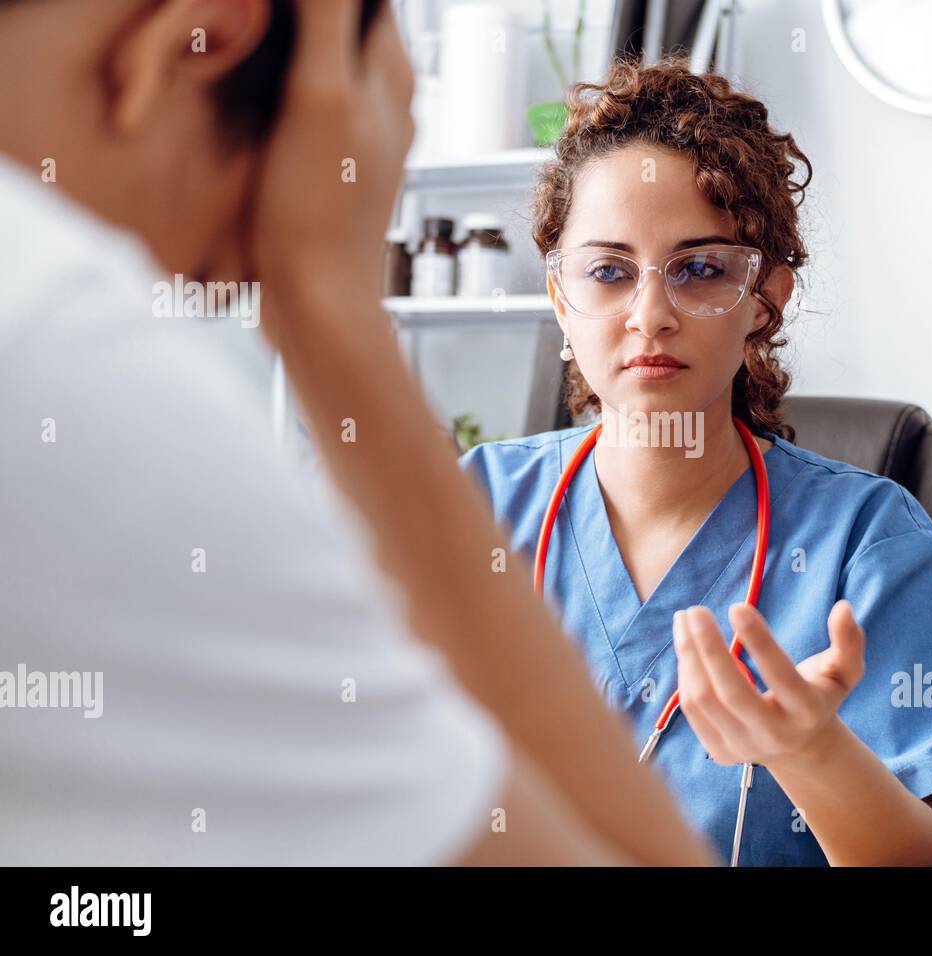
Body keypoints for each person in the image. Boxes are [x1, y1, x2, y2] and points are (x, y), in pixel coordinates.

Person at [0, 0, 716, 866]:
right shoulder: (70, 357)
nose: (223, 280)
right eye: (218, 262)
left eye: (701, 269)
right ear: (205, 35)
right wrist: (328, 299)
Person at [460, 58, 932, 866]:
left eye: (701, 270)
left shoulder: (866, 542)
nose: (651, 316)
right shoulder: (471, 505)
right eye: (608, 273)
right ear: (559, 299)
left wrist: (808, 752)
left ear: (767, 300)